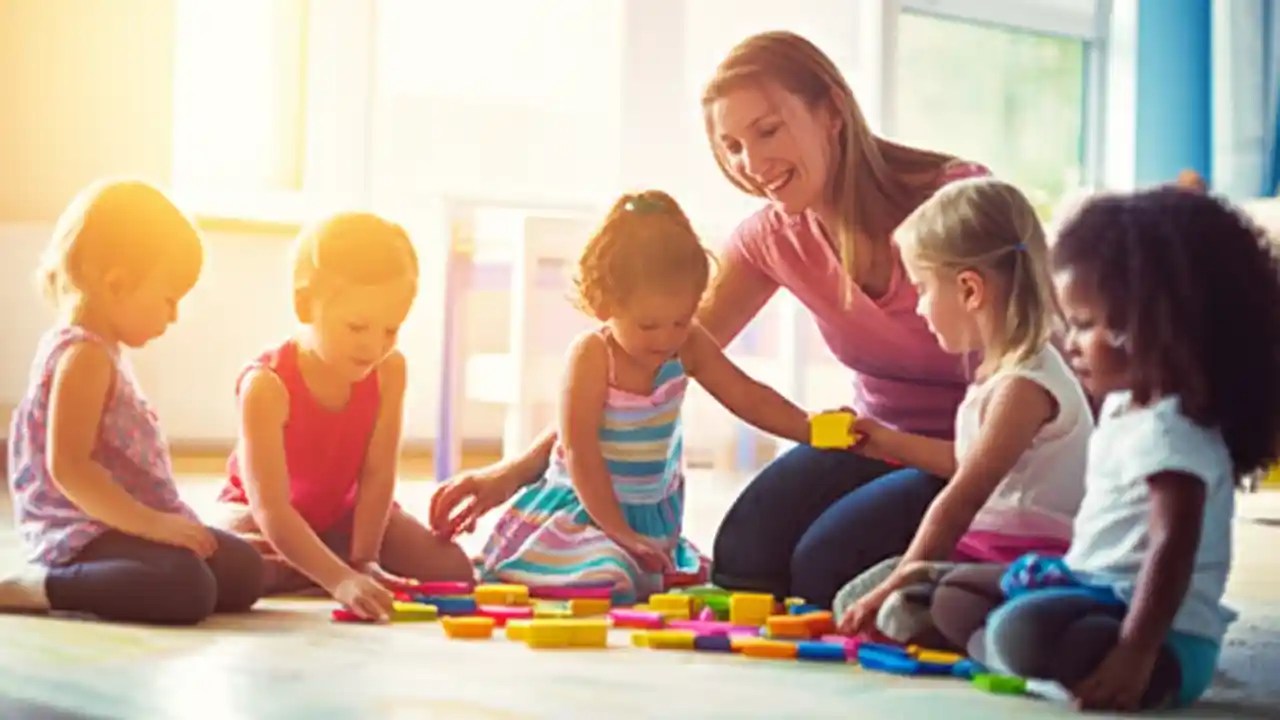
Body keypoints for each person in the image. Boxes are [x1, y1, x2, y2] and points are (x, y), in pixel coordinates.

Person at [430, 30, 987, 607]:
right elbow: (636, 361)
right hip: (868, 441)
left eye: (767, 131)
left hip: (976, 451)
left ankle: (973, 571)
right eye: (733, 146)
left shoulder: (957, 205)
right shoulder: (772, 237)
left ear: (832, 112)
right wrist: (514, 472)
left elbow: (1033, 364)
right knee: (746, 561)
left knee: (822, 571)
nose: (753, 164)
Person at [930, 188, 1280, 711]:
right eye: (1072, 323)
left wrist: (1137, 650)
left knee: (1022, 628)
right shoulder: (1122, 407)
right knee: (952, 595)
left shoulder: (1174, 430)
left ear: (1158, 328)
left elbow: (1172, 548)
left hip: (1163, 636)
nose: (1070, 342)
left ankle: (1046, 657)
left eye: (1089, 325)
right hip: (1090, 589)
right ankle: (1022, 652)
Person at [478, 190, 814, 604]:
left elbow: (748, 396)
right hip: (583, 510)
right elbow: (579, 450)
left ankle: (629, 553)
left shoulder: (687, 344)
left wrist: (814, 428)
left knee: (671, 578)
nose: (667, 338)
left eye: (680, 320)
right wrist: (618, 531)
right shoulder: (593, 355)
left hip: (650, 516)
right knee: (611, 575)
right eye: (649, 325)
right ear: (606, 305)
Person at [832, 177, 1092, 637]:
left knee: (908, 607)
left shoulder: (1024, 386)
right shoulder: (1001, 372)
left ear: (970, 290)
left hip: (1027, 565)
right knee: (853, 598)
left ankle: (1005, 627)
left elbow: (963, 495)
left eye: (922, 289)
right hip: (978, 556)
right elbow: (968, 461)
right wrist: (884, 440)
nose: (919, 308)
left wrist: (907, 575)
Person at [0, 179, 264, 625]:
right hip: (84, 532)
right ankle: (44, 585)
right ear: (116, 283)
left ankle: (136, 569)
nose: (174, 315)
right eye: (168, 299)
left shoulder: (105, 351)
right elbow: (69, 467)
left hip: (128, 524)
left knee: (242, 570)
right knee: (186, 588)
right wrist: (153, 525)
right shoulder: (83, 357)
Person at [215, 212, 472, 622]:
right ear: (304, 305)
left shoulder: (390, 371)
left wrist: (365, 559)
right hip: (261, 516)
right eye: (357, 326)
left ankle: (322, 562)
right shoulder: (265, 386)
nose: (374, 346)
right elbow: (272, 510)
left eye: (391, 329)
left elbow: (377, 474)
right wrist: (340, 580)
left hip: (344, 515)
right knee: (235, 566)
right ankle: (319, 564)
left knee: (454, 569)